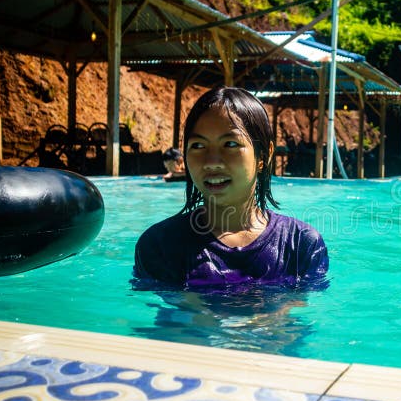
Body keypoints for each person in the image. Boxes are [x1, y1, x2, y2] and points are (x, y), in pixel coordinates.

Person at [134, 86, 329, 292]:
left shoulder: (300, 245)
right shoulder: (160, 245)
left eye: (230, 144)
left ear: (263, 155)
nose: (211, 162)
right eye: (198, 146)